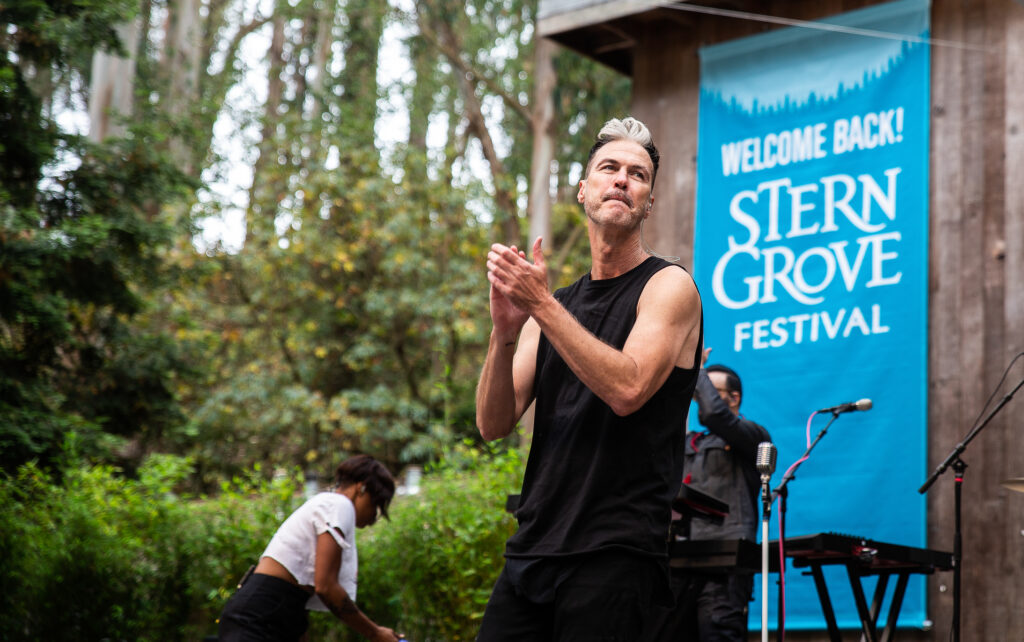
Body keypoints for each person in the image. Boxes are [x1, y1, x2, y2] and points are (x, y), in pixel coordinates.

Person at [474, 116, 703, 641]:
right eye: (609, 168)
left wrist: (539, 305)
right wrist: (504, 333)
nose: (622, 179)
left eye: (638, 174)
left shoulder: (668, 287)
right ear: (583, 190)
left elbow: (628, 390)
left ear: (649, 201)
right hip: (532, 549)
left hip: (615, 554)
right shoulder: (559, 303)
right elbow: (492, 423)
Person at [645, 348, 770, 641]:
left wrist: (696, 369)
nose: (700, 396)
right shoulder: (687, 442)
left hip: (724, 561)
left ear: (734, 398)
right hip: (677, 559)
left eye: (707, 389)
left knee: (718, 633)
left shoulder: (753, 436)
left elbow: (715, 414)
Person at [218, 454, 401, 642]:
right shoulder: (339, 504)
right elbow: (326, 587)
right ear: (361, 488)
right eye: (376, 505)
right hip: (256, 618)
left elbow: (299, 598)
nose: (373, 518)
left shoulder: (329, 508)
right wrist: (375, 632)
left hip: (272, 615)